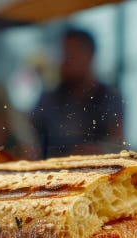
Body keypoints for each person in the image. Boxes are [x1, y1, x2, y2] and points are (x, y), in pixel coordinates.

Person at [31, 28, 124, 159]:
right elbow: (30, 139)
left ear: (90, 55)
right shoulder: (49, 98)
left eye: (71, 54)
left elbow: (117, 144)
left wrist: (97, 151)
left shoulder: (108, 96)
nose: (64, 61)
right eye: (63, 54)